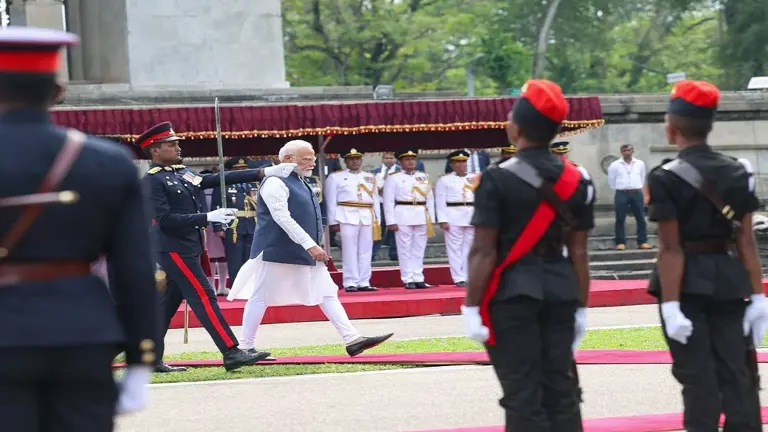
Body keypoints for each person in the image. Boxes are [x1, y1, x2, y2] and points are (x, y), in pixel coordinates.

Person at [0, 27, 158, 431]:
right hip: (79, 333)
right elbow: (135, 269)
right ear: (56, 90)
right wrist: (141, 359)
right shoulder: (107, 162)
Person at [461, 79, 595, 431]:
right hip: (562, 288)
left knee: (522, 393)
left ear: (515, 128)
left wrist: (471, 306)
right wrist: (581, 306)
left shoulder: (495, 179)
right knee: (562, 389)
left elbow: (483, 251)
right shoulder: (580, 179)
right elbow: (579, 252)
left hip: (512, 295)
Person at [647, 79, 767, 431]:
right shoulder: (736, 171)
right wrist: (758, 295)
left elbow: (669, 248)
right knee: (737, 375)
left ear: (672, 127)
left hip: (684, 285)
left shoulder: (665, 177)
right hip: (728, 280)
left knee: (698, 379)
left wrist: (669, 304)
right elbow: (746, 241)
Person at [140, 121, 296, 373]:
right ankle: (231, 351)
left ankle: (145, 356)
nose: (178, 148)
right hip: (172, 247)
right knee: (203, 295)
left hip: (189, 245)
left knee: (164, 306)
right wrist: (207, 217)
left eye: (177, 143)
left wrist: (262, 173)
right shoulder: (152, 181)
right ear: (154, 150)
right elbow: (166, 220)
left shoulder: (181, 172)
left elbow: (213, 179)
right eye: (171, 145)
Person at [227, 140, 393, 356]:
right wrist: (310, 245)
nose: (311, 163)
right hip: (277, 249)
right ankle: (245, 346)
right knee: (260, 296)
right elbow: (282, 217)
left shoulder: (300, 180)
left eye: (312, 159)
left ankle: (352, 338)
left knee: (327, 292)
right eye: (306, 159)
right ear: (287, 159)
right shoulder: (275, 181)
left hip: (301, 248)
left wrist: (312, 245)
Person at [325, 148, 380, 292]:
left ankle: (364, 281)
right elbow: (331, 200)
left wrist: (377, 219)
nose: (355, 161)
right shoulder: (335, 177)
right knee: (350, 250)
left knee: (366, 251)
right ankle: (350, 281)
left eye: (357, 158)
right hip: (346, 215)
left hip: (367, 216)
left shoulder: (369, 177)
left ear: (361, 160)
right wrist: (333, 221)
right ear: (345, 161)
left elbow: (375, 199)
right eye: (351, 159)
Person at [383, 149, 437, 289]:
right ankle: (408, 278)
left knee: (419, 249)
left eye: (413, 159)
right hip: (403, 213)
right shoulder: (393, 178)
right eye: (407, 159)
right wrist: (391, 221)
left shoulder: (423, 177)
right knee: (404, 249)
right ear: (400, 162)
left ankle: (418, 277)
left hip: (421, 213)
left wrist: (431, 218)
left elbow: (429, 199)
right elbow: (388, 200)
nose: (411, 162)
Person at [210, 157, 259, 282]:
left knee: (251, 257)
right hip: (232, 225)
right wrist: (218, 226)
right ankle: (236, 286)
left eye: (244, 170)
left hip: (253, 224)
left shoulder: (255, 184)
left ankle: (250, 285)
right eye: (238, 170)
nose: (242, 172)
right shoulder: (223, 184)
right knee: (234, 257)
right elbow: (216, 205)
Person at [435, 150, 477, 287]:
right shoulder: (444, 180)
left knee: (469, 248)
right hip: (453, 215)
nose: (461, 165)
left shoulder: (475, 177)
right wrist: (442, 219)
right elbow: (440, 201)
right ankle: (458, 277)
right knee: (454, 248)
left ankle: (468, 275)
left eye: (463, 162)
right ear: (452, 164)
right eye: (457, 162)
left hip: (471, 214)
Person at [607, 144, 651, 250]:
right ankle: (620, 242)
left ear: (632, 151)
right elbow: (611, 180)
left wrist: (636, 186)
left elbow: (642, 177)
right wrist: (620, 187)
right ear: (621, 152)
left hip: (636, 192)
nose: (627, 152)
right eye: (624, 150)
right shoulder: (615, 165)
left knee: (640, 217)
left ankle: (642, 241)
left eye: (629, 150)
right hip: (621, 192)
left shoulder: (639, 163)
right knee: (620, 218)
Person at [371, 152, 400, 261]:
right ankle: (373, 253)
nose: (389, 160)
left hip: (395, 204)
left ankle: (394, 253)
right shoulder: (374, 172)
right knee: (379, 228)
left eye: (391, 158)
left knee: (395, 229)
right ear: (382, 159)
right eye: (386, 158)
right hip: (380, 203)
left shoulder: (400, 171)